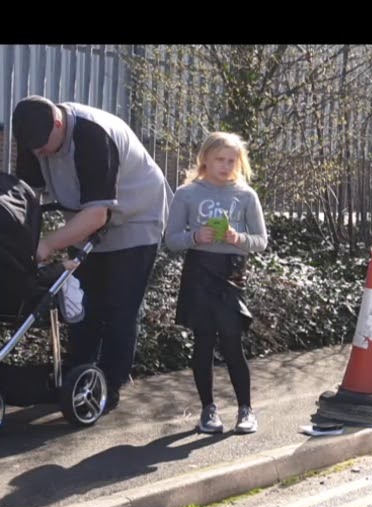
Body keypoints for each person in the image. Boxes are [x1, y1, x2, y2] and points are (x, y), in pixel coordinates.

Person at [10, 95, 173, 413]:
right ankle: (78, 375)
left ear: (58, 122)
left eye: (45, 147)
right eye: (34, 150)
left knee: (118, 309)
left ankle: (109, 386)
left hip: (135, 217)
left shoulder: (93, 135)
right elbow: (27, 198)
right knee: (81, 305)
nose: (40, 154)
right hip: (85, 219)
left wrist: (46, 244)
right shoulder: (33, 138)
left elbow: (98, 215)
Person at [163, 131, 268, 434]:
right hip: (199, 271)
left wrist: (238, 238)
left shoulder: (246, 195)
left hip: (231, 273)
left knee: (233, 342)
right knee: (203, 342)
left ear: (239, 162)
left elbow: (260, 241)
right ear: (205, 158)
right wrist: (196, 237)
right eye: (219, 159)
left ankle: (246, 410)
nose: (225, 165)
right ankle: (208, 410)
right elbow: (171, 239)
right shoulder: (187, 193)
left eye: (231, 160)